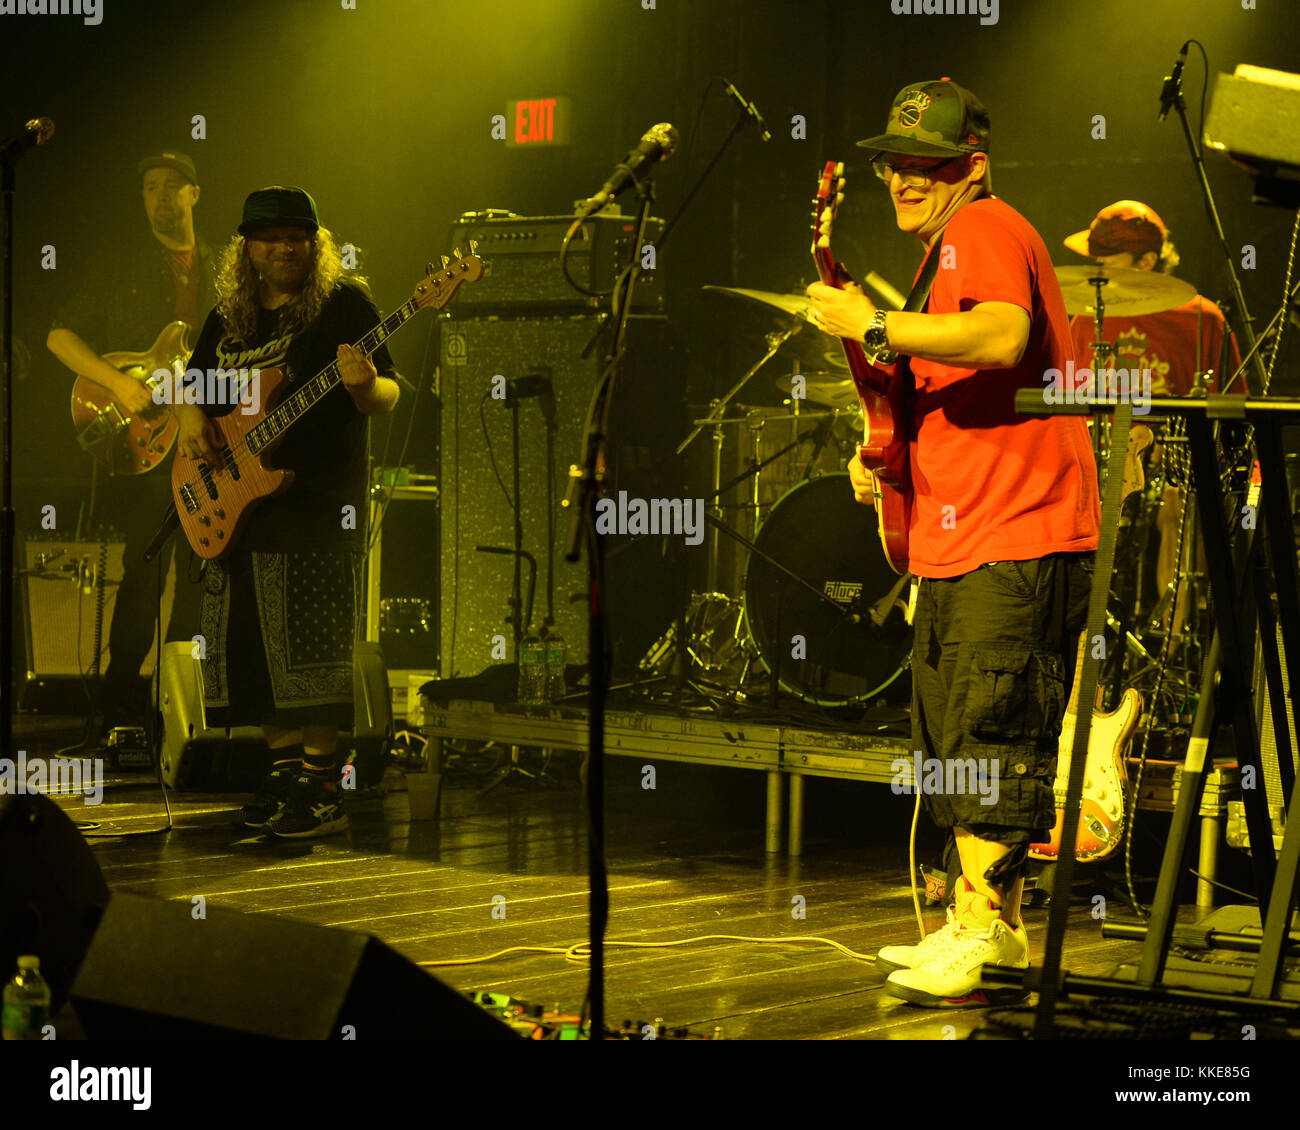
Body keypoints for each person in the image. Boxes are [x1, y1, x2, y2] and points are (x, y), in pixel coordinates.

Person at [806, 79, 1101, 1007]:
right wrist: (886, 467)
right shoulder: (945, 256)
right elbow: (949, 400)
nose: (900, 178)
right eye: (892, 162)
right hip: (966, 538)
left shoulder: (984, 228)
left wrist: (876, 325)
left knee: (989, 731)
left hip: (1015, 535)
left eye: (922, 164)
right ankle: (997, 931)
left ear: (969, 166)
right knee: (964, 739)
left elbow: (1004, 337)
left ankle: (975, 927)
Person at [176, 186, 400, 838]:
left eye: (296, 238)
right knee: (246, 652)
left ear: (314, 244)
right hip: (231, 500)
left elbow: (385, 393)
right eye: (269, 238)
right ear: (247, 247)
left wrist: (363, 386)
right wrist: (191, 415)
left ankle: (323, 784)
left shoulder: (343, 305)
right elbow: (193, 384)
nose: (283, 249)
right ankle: (281, 775)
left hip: (315, 505)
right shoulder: (231, 317)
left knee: (311, 650)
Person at [47, 150, 214, 732]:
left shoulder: (224, 271)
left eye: (173, 186)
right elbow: (59, 335)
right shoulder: (122, 265)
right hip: (145, 447)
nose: (161, 196)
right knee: (143, 576)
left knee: (199, 579)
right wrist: (117, 383)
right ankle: (120, 708)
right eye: (149, 187)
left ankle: (177, 709)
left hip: (204, 442)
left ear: (195, 195)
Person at [1064, 201, 1242, 642]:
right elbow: (1063, 405)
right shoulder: (1087, 318)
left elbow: (1235, 415)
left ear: (1147, 261)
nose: (1095, 272)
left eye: (1107, 261)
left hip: (1175, 470)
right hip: (1099, 465)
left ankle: (1173, 638)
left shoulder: (1203, 319)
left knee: (1178, 502)